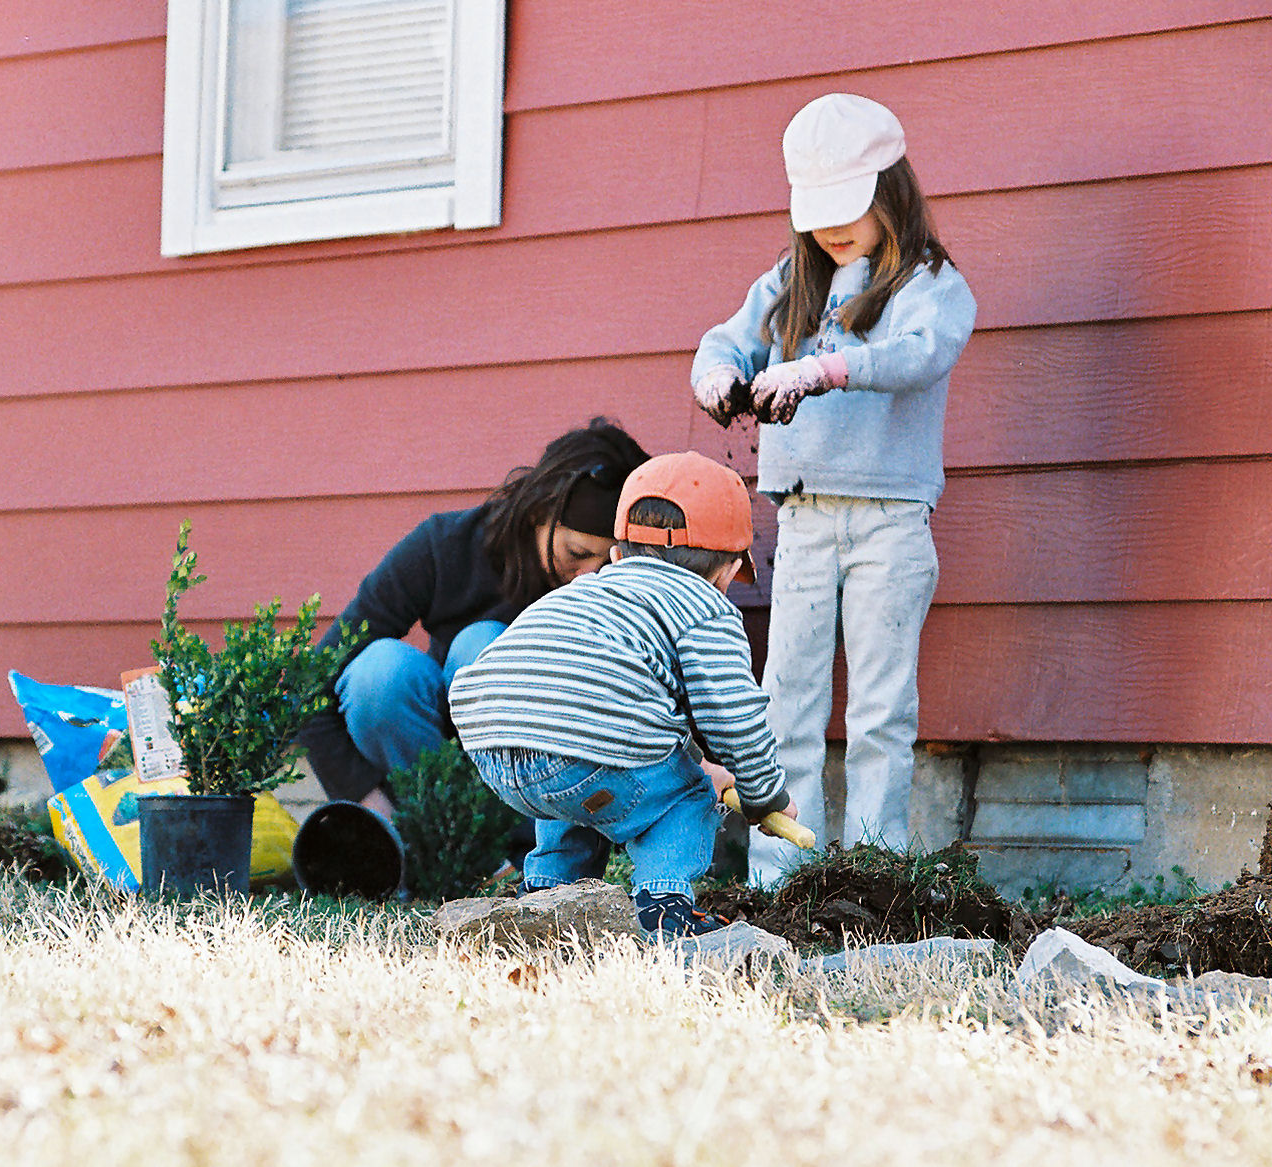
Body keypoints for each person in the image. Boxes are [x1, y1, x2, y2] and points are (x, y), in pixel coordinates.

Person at [691, 93, 977, 887]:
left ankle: (875, 877)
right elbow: (723, 340)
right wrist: (718, 374)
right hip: (805, 518)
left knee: (881, 707)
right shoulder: (792, 281)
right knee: (785, 699)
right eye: (817, 211)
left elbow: (921, 352)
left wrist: (825, 369)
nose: (831, 227)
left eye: (847, 207)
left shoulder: (929, 283)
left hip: (889, 518)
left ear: (891, 190)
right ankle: (780, 877)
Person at [448, 452, 798, 936]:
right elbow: (732, 714)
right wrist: (763, 794)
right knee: (686, 795)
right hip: (580, 749)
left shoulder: (587, 591)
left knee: (572, 774)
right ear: (726, 571)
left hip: (494, 742)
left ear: (617, 553)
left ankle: (547, 897)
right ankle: (664, 910)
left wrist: (691, 757)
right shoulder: (705, 607)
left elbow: (627, 704)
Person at [296, 419, 651, 837]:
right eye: (577, 552)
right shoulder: (447, 544)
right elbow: (311, 685)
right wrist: (369, 805)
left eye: (609, 561)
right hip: (425, 770)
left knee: (483, 645)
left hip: (537, 799)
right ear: (539, 510)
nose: (591, 575)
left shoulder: (623, 589)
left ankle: (506, 854)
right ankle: (427, 844)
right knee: (382, 674)